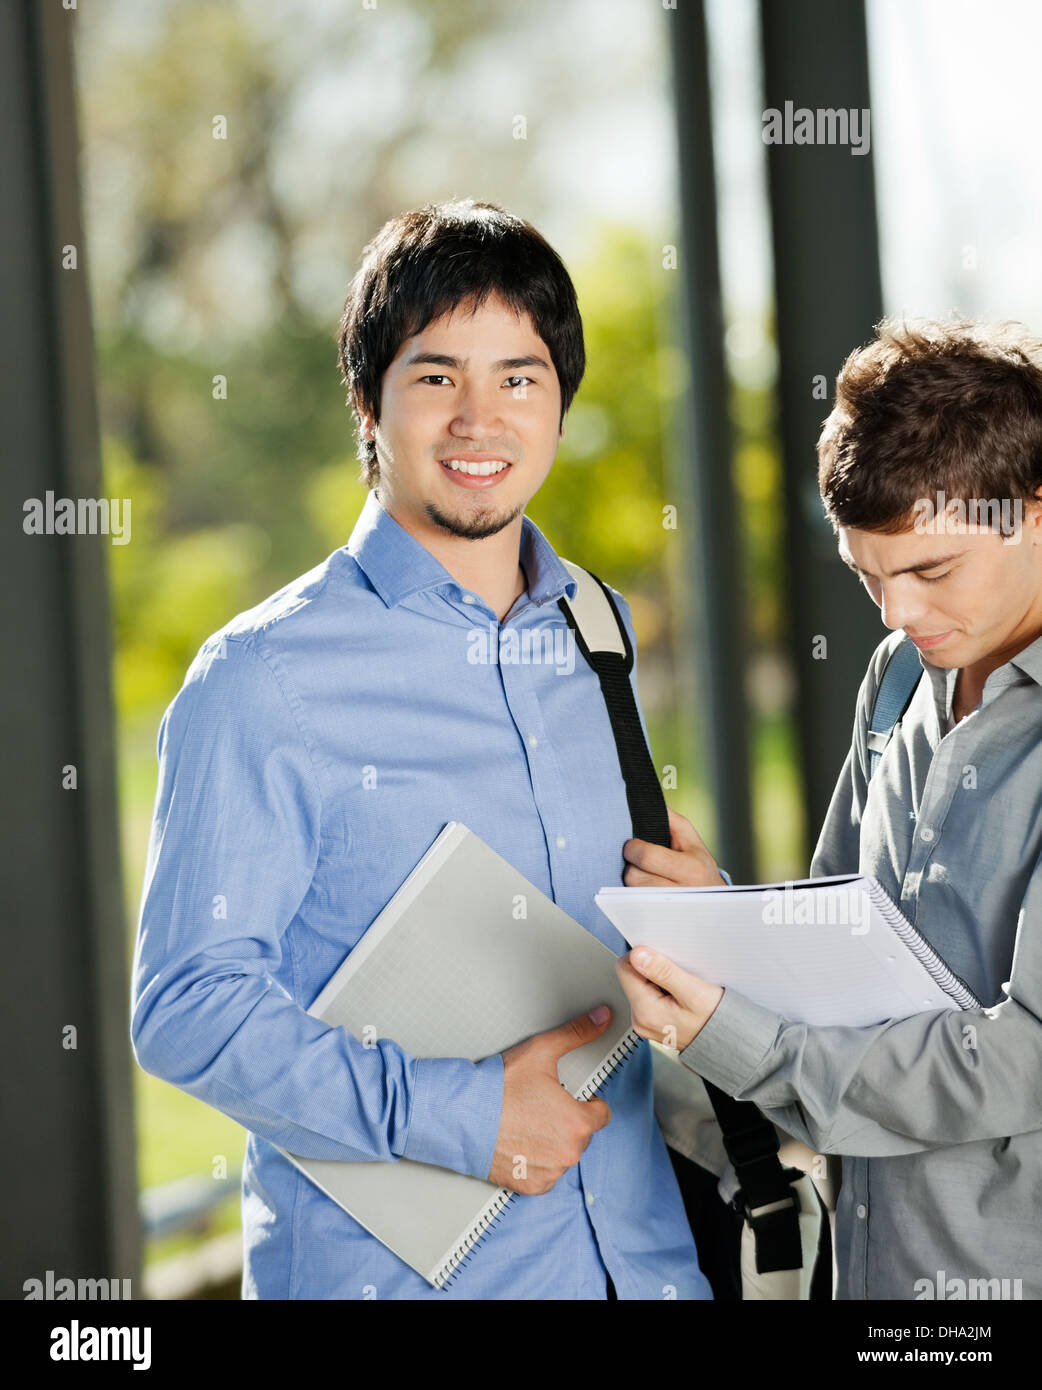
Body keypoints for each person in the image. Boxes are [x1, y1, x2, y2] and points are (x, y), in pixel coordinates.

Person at [130, 197, 713, 1301]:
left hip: (642, 1266)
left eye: (518, 378)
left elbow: (608, 938)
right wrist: (460, 1116)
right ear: (367, 400)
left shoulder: (599, 629)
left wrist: (698, 918)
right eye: (436, 377)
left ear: (559, 400)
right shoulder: (262, 677)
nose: (478, 419)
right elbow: (185, 1005)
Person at [616, 316, 1042, 1301]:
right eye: (867, 576)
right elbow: (841, 945)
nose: (896, 615)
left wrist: (747, 1043)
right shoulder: (898, 675)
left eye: (932, 571)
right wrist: (714, 926)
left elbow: (1024, 1055)